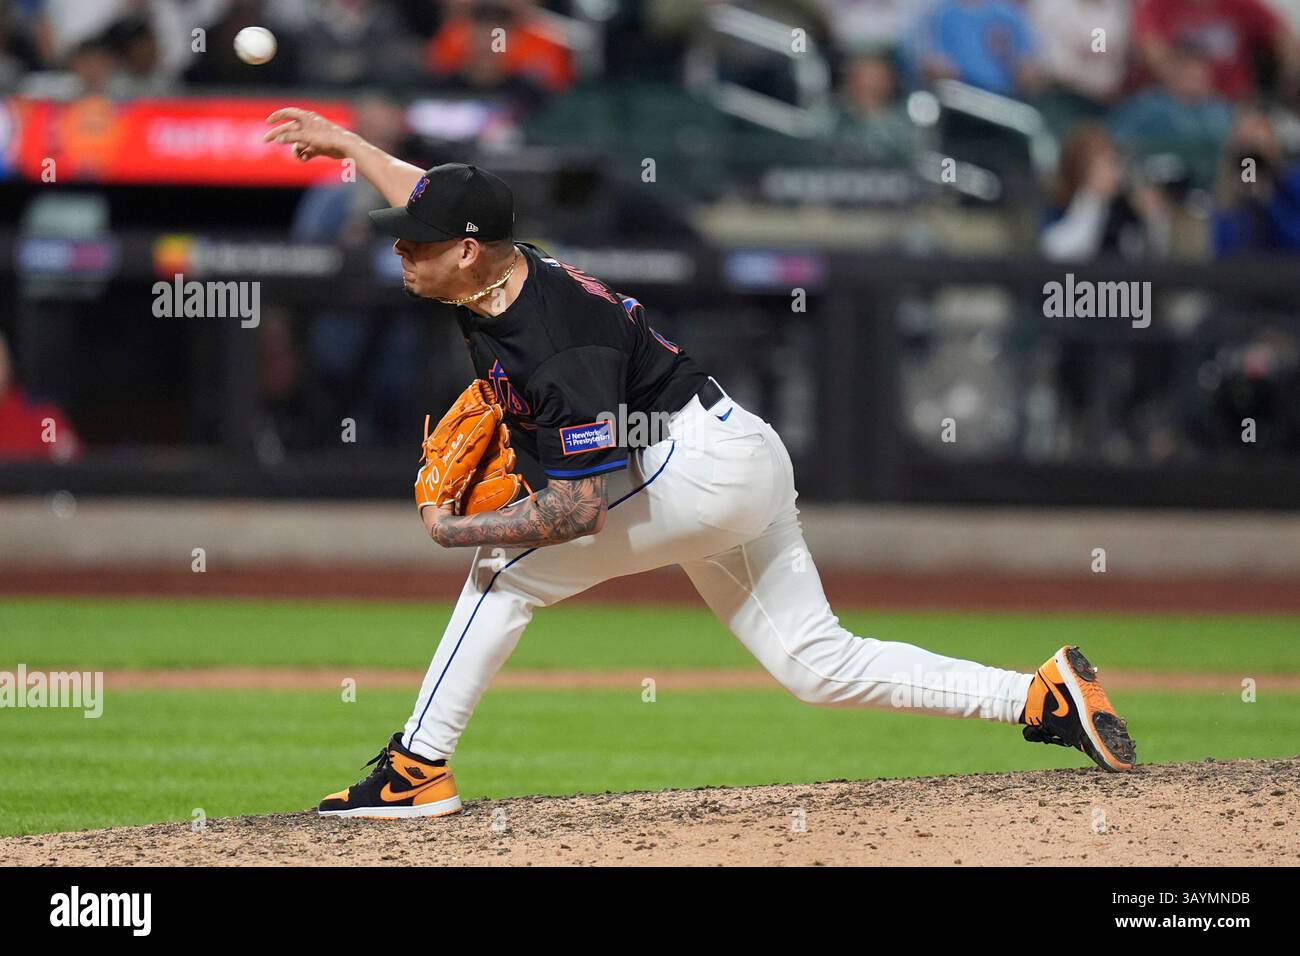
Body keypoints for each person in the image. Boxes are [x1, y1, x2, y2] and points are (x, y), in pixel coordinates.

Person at [264, 107, 1138, 819]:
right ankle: (1040, 698)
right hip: (734, 450)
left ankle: (416, 768)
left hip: (690, 462)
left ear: (463, 252)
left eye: (413, 242)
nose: (398, 249)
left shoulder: (553, 345)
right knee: (814, 662)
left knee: (507, 572)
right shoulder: (495, 264)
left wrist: (456, 528)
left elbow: (577, 514)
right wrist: (346, 145)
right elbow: (429, 193)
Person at [1212, 107, 1300, 255]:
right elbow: (1220, 248)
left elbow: (1295, 240)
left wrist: (1270, 201)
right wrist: (1239, 202)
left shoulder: (1292, 182)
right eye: (1245, 143)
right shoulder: (1226, 187)